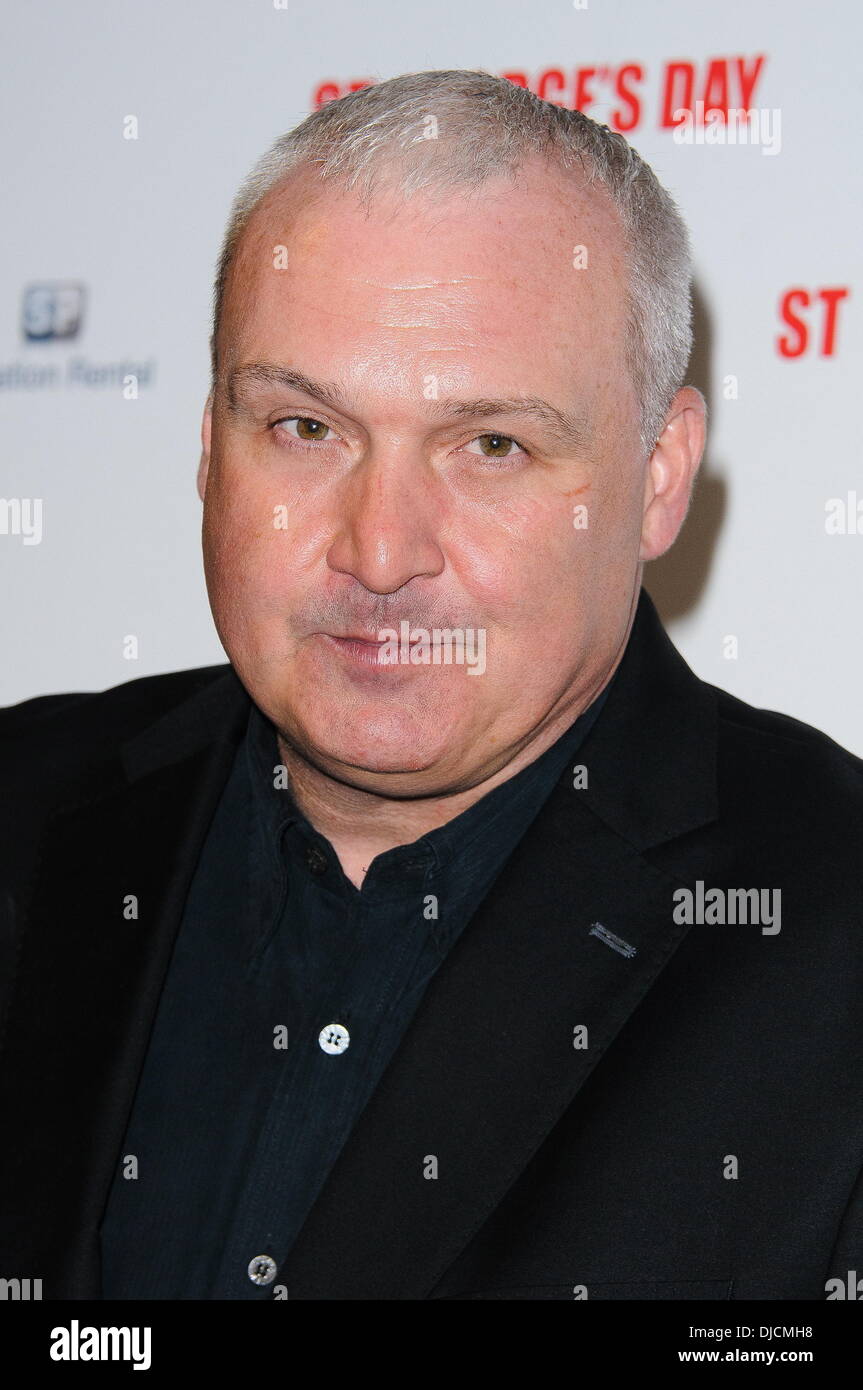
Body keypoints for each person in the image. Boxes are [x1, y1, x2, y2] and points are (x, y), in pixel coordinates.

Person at [0, 69, 860, 1302]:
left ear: (659, 476)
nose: (378, 549)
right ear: (206, 444)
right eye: (305, 427)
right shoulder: (26, 814)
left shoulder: (832, 930)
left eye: (489, 446)